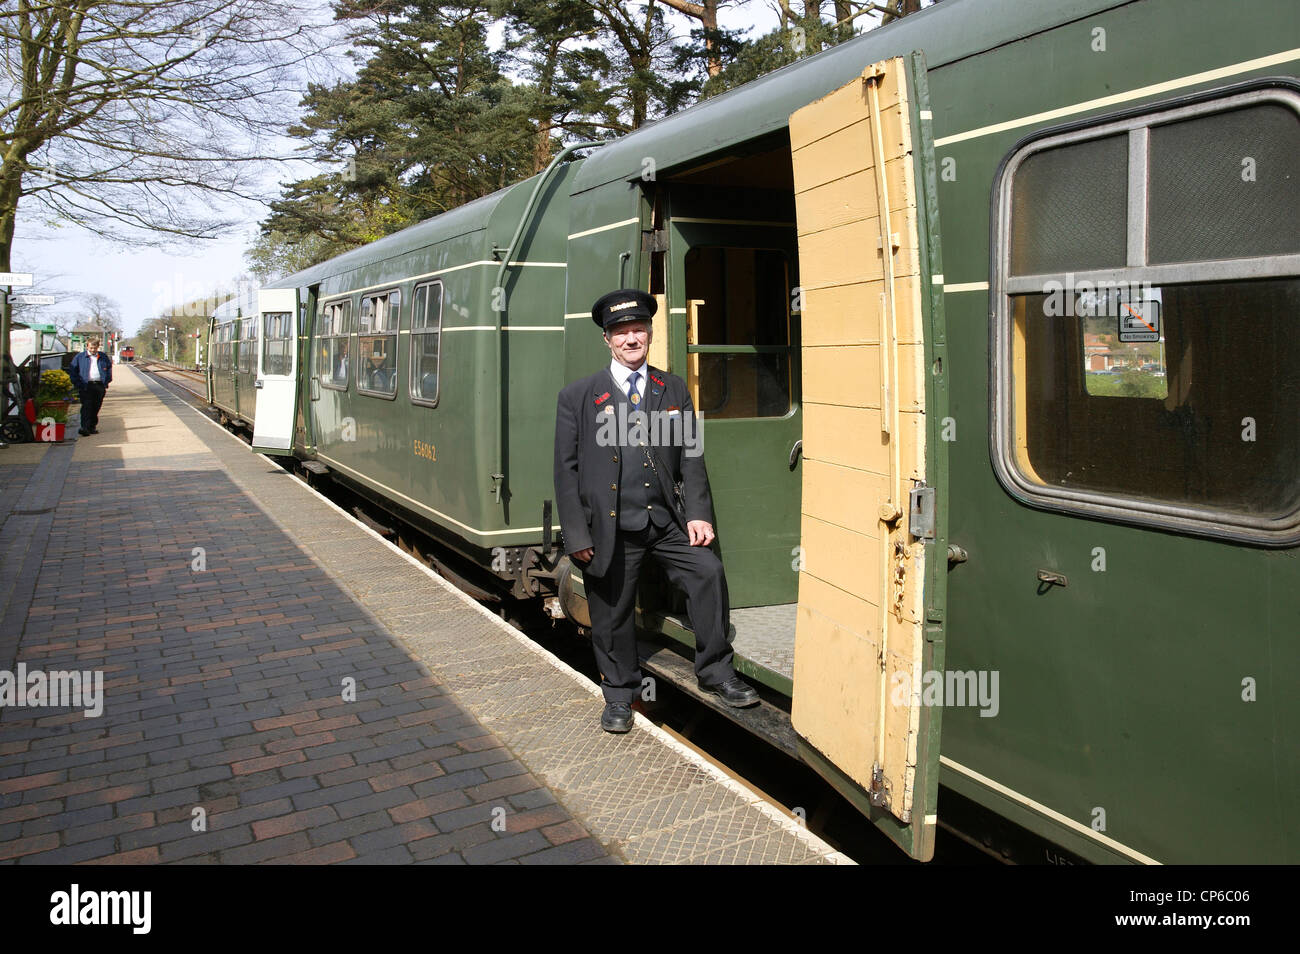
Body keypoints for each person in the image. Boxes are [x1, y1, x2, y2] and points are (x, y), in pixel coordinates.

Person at [553, 289, 759, 733]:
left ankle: (716, 672)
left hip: (665, 521)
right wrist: (577, 535)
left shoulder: (672, 388)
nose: (631, 339)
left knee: (707, 572)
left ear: (648, 333)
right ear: (607, 340)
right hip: (610, 529)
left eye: (638, 330)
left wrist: (699, 514)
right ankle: (620, 695)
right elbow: (565, 473)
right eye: (621, 332)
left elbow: (691, 456)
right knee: (610, 610)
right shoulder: (578, 397)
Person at [69, 338, 112, 437]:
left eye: (95, 348)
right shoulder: (79, 357)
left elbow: (109, 368)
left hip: (99, 385)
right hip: (85, 385)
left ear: (98, 347)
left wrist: (107, 380)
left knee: (96, 406)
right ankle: (84, 427)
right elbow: (73, 370)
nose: (93, 350)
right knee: (86, 406)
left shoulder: (103, 357)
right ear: (87, 347)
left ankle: (92, 427)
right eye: (91, 348)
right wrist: (77, 383)